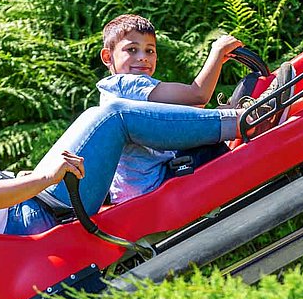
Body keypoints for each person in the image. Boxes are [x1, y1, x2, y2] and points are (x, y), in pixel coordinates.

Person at [0, 36, 256, 237]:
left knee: (105, 116)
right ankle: (241, 121)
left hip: (27, 207)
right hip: (30, 217)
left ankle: (208, 133)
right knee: (111, 115)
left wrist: (26, 180)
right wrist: (45, 178)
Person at [97, 14, 244, 204]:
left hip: (132, 190)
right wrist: (217, 51)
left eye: (149, 51)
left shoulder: (114, 92)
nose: (142, 57)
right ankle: (255, 130)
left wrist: (217, 66)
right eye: (132, 49)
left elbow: (189, 109)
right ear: (107, 57)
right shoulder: (127, 84)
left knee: (200, 137)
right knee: (210, 147)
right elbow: (197, 95)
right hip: (151, 185)